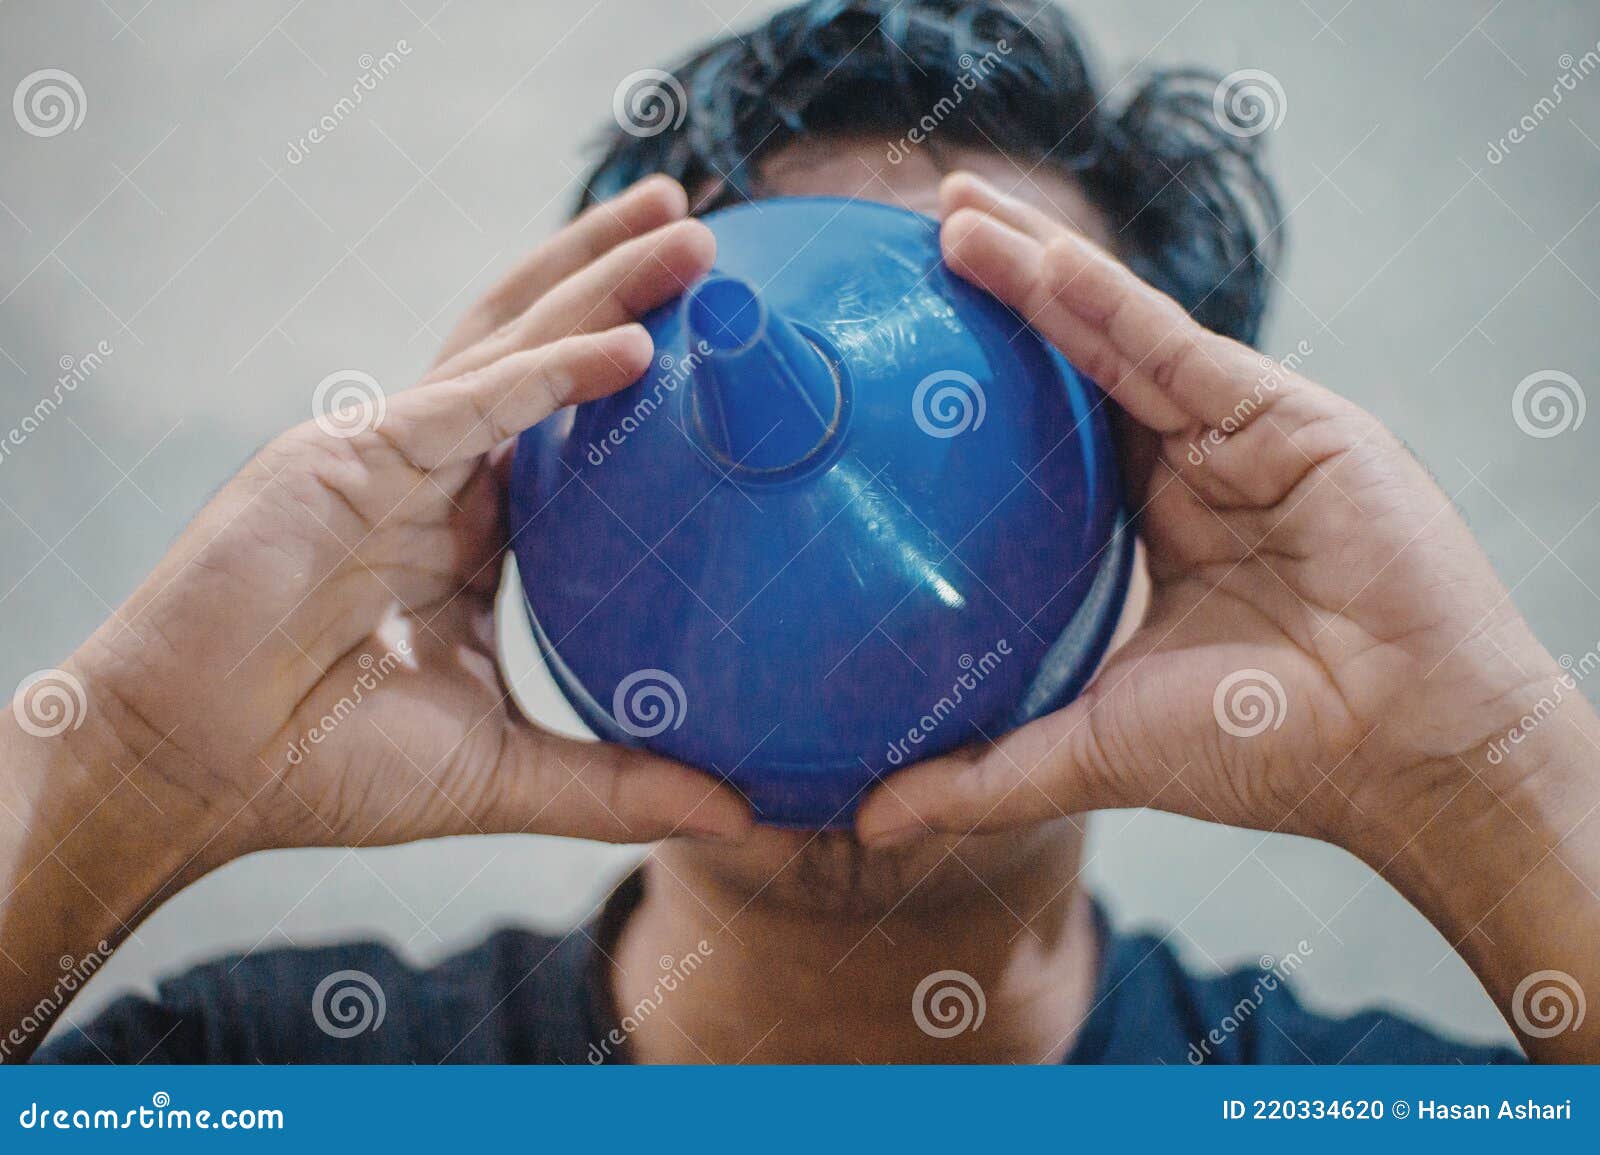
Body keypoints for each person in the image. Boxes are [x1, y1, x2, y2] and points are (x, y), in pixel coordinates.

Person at [8, 0, 1597, 1065]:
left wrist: (1496, 783)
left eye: (992, 383)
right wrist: (124, 776)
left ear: (1161, 509)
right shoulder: (265, 1077)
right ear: (553, 467)